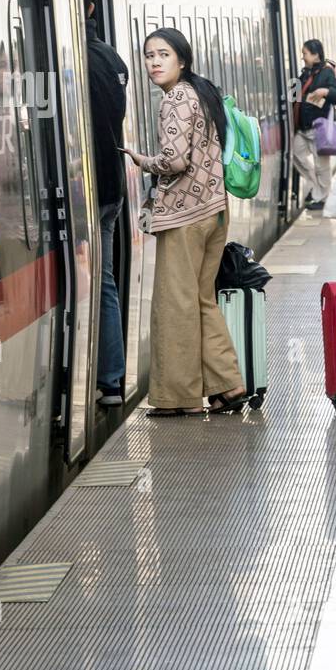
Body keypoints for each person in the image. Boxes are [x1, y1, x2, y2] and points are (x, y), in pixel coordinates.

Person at [120, 28, 245, 416]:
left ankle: (178, 397)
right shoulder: (201, 93)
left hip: (185, 218)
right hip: (214, 212)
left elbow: (174, 161)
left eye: (163, 55)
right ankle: (229, 384)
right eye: (149, 56)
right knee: (201, 300)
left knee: (175, 306)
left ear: (182, 60)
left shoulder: (175, 98)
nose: (154, 63)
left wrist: (142, 161)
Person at [84, 0, 129, 409]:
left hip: (89, 190)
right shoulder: (112, 58)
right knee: (106, 281)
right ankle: (111, 381)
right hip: (112, 185)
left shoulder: (72, 60)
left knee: (95, 281)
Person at [293, 38, 336, 210]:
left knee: (321, 165)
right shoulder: (306, 73)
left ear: (316, 55)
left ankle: (322, 198)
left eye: (305, 54)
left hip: (319, 126)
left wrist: (325, 91)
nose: (303, 57)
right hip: (303, 127)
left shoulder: (328, 73)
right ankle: (316, 187)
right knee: (295, 154)